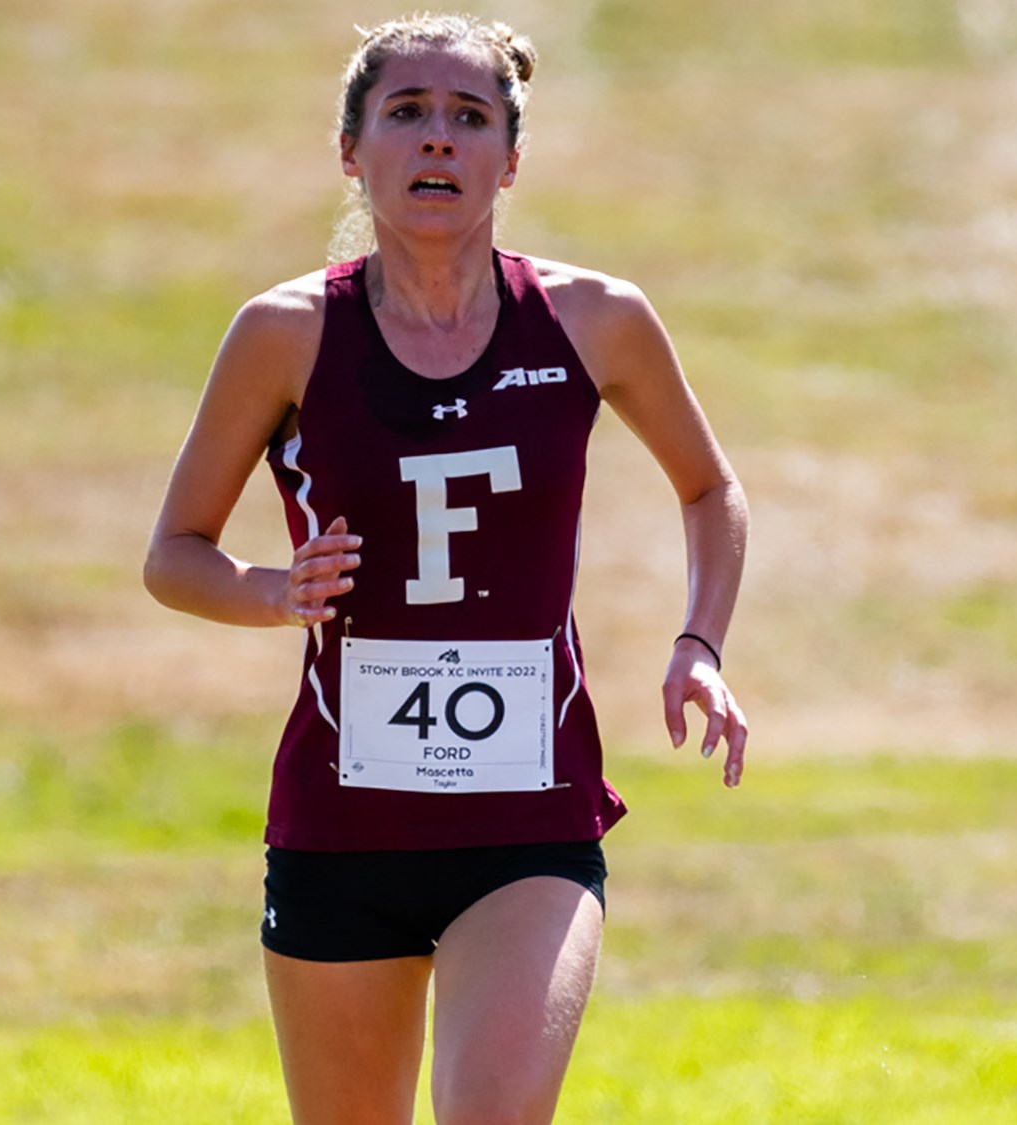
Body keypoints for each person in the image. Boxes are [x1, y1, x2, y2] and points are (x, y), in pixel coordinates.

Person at [144, 14, 747, 1124]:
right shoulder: (284, 333)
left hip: (529, 819)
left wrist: (699, 644)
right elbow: (173, 554)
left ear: (508, 160)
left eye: (469, 117)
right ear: (351, 148)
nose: (437, 139)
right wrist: (273, 591)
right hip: (342, 819)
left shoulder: (593, 319)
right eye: (406, 113)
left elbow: (711, 490)